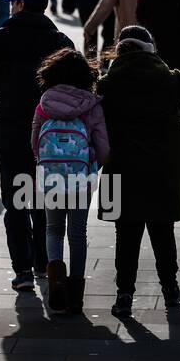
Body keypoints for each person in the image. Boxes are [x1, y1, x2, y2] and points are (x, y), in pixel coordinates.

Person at [97, 25, 180, 318]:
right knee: (163, 231)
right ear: (150, 48)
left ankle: (124, 294)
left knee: (125, 234)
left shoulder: (106, 82)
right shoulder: (171, 77)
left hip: (119, 167)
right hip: (163, 167)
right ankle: (171, 290)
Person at [0, 0, 73, 291]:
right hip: (49, 136)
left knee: (16, 203)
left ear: (20, 5)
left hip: (11, 134)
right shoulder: (60, 41)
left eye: (13, 1)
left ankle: (22, 270)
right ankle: (43, 261)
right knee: (44, 202)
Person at [31, 49, 110, 315]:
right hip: (81, 176)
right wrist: (94, 164)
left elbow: (34, 140)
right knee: (77, 234)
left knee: (53, 229)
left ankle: (55, 280)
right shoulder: (91, 104)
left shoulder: (45, 102)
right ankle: (76, 296)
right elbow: (103, 145)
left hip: (50, 176)